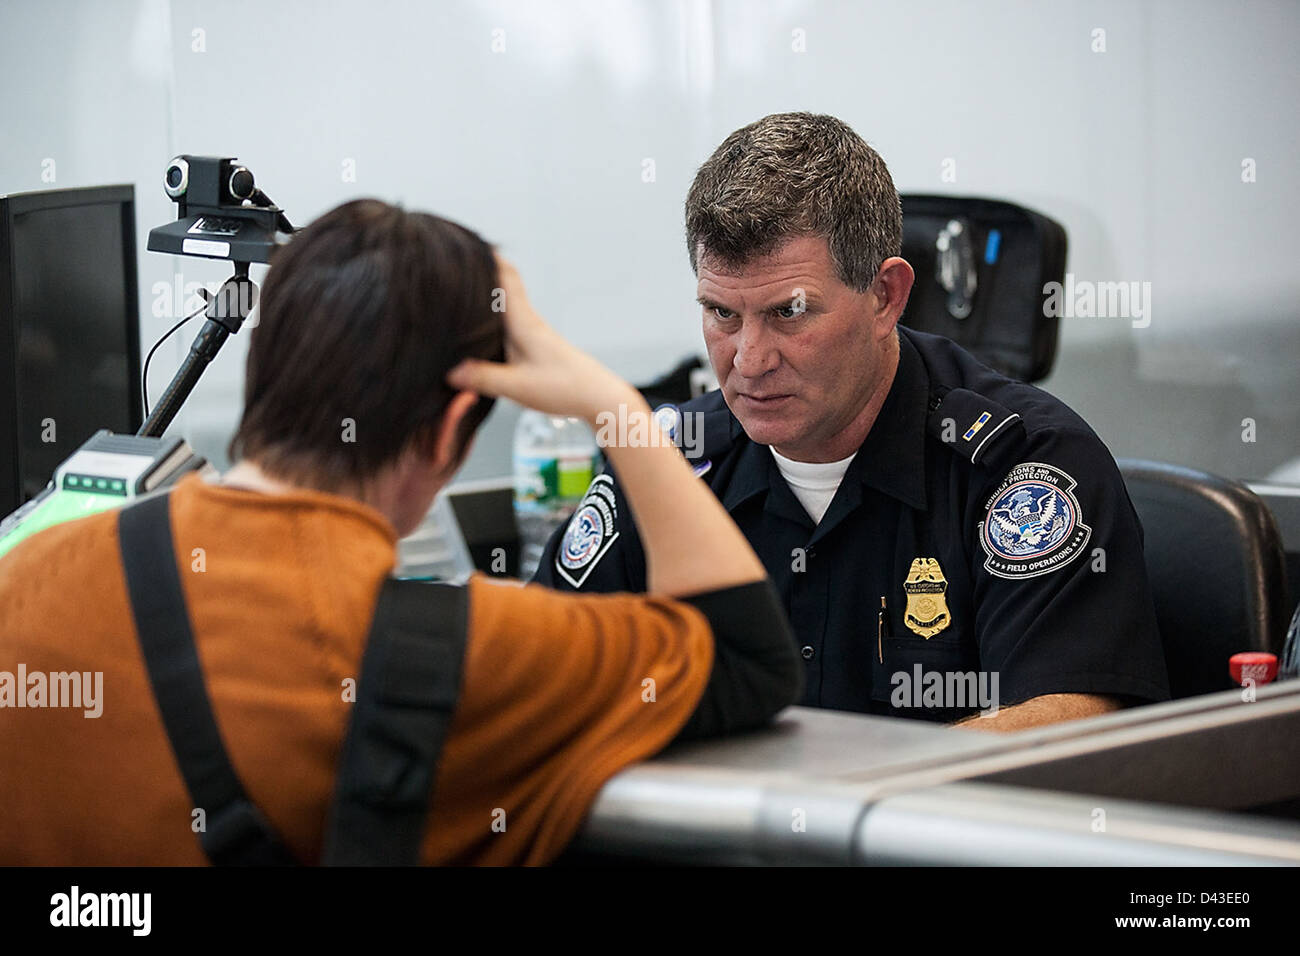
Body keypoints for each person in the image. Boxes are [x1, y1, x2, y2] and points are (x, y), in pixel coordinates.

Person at [0, 199, 801, 865]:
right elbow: (746, 659)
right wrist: (614, 407)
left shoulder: (27, 575)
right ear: (454, 428)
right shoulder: (470, 654)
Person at [535, 112, 1170, 730]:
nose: (749, 361)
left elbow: (1069, 718)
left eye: (789, 312)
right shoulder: (665, 463)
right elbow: (541, 684)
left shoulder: (1025, 467)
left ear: (885, 297)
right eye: (722, 314)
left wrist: (828, 804)